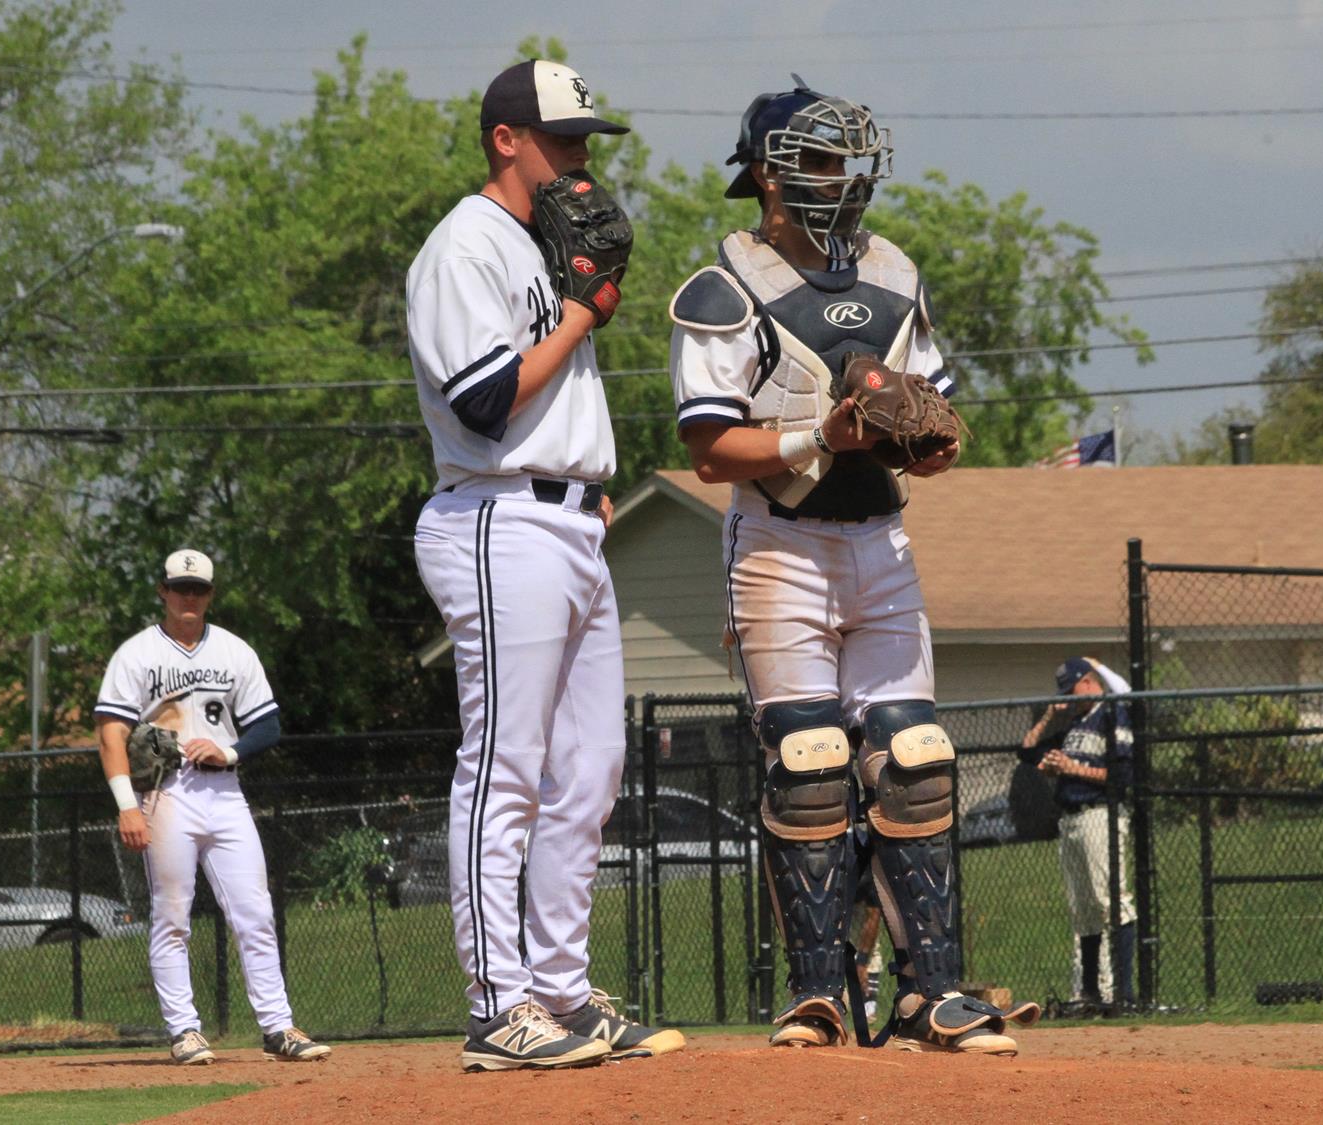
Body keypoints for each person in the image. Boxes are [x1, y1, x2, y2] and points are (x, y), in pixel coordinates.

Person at [668, 81, 1036, 1054]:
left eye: (849, 161)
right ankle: (816, 994)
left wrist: (929, 442)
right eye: (819, 161)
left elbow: (933, 410)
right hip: (780, 548)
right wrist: (820, 437)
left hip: (880, 541)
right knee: (807, 763)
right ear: (765, 175)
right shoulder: (725, 284)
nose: (843, 180)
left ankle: (931, 994)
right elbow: (709, 447)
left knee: (914, 760)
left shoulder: (893, 270)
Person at [405, 58, 682, 1073]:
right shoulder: (462, 248)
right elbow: (484, 401)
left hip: (567, 522)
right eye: (564, 140)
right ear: (505, 139)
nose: (580, 162)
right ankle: (497, 1007)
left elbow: (553, 395)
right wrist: (581, 310)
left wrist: (586, 475)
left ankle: (562, 993)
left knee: (592, 770)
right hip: (495, 516)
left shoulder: (535, 247)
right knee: (504, 765)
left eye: (587, 144)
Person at [95, 548, 330, 1065]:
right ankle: (184, 1031)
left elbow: (267, 725)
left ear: (210, 595)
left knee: (255, 912)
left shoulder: (233, 650)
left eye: (198, 588)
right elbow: (111, 732)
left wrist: (229, 750)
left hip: (225, 792)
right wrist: (126, 806)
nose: (188, 596)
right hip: (165, 792)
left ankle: (277, 1026)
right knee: (172, 915)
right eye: (180, 587)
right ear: (162, 591)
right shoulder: (135, 655)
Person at [1022, 656, 1138, 1014]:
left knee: (1110, 901)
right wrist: (1050, 716)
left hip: (1099, 815)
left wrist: (1072, 767)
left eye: (1070, 690)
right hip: (1070, 821)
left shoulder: (1111, 714)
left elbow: (1123, 775)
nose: (1067, 698)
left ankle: (1123, 992)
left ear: (1088, 682)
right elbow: (1026, 752)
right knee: (1084, 910)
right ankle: (1090, 992)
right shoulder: (1073, 723)